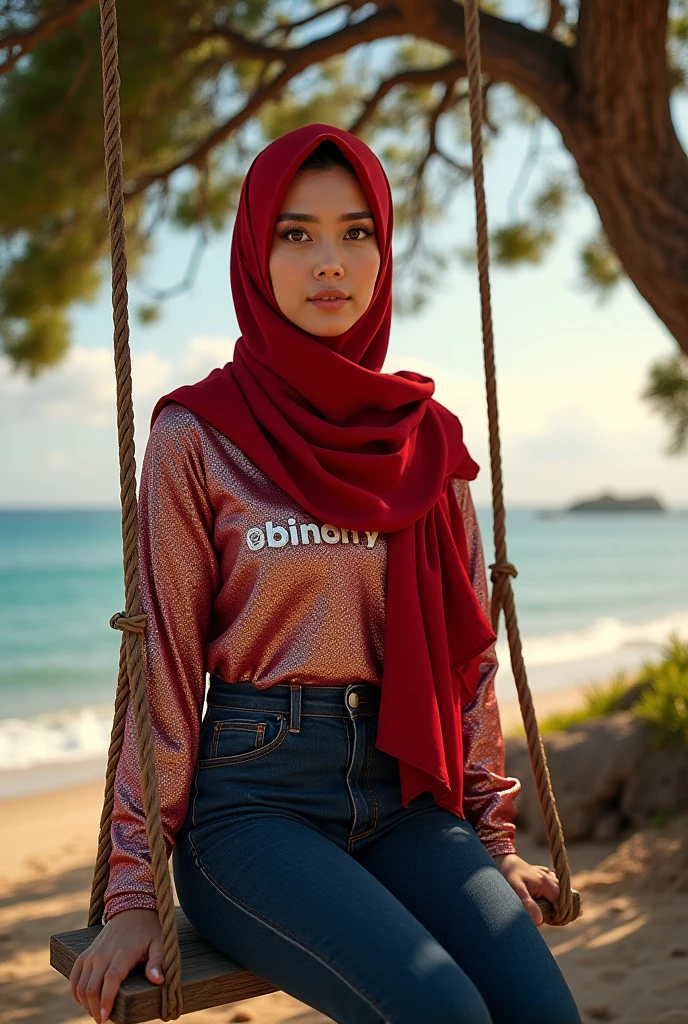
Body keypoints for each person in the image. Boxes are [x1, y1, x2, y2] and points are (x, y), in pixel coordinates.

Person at [69, 124, 582, 1024]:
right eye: (296, 234)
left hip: (403, 794)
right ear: (255, 255)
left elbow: (468, 658)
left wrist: (493, 838)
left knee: (544, 1013)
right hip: (251, 806)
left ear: (384, 254)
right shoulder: (197, 435)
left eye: (357, 232)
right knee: (444, 1015)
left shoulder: (426, 444)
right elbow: (164, 669)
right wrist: (133, 891)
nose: (329, 261)